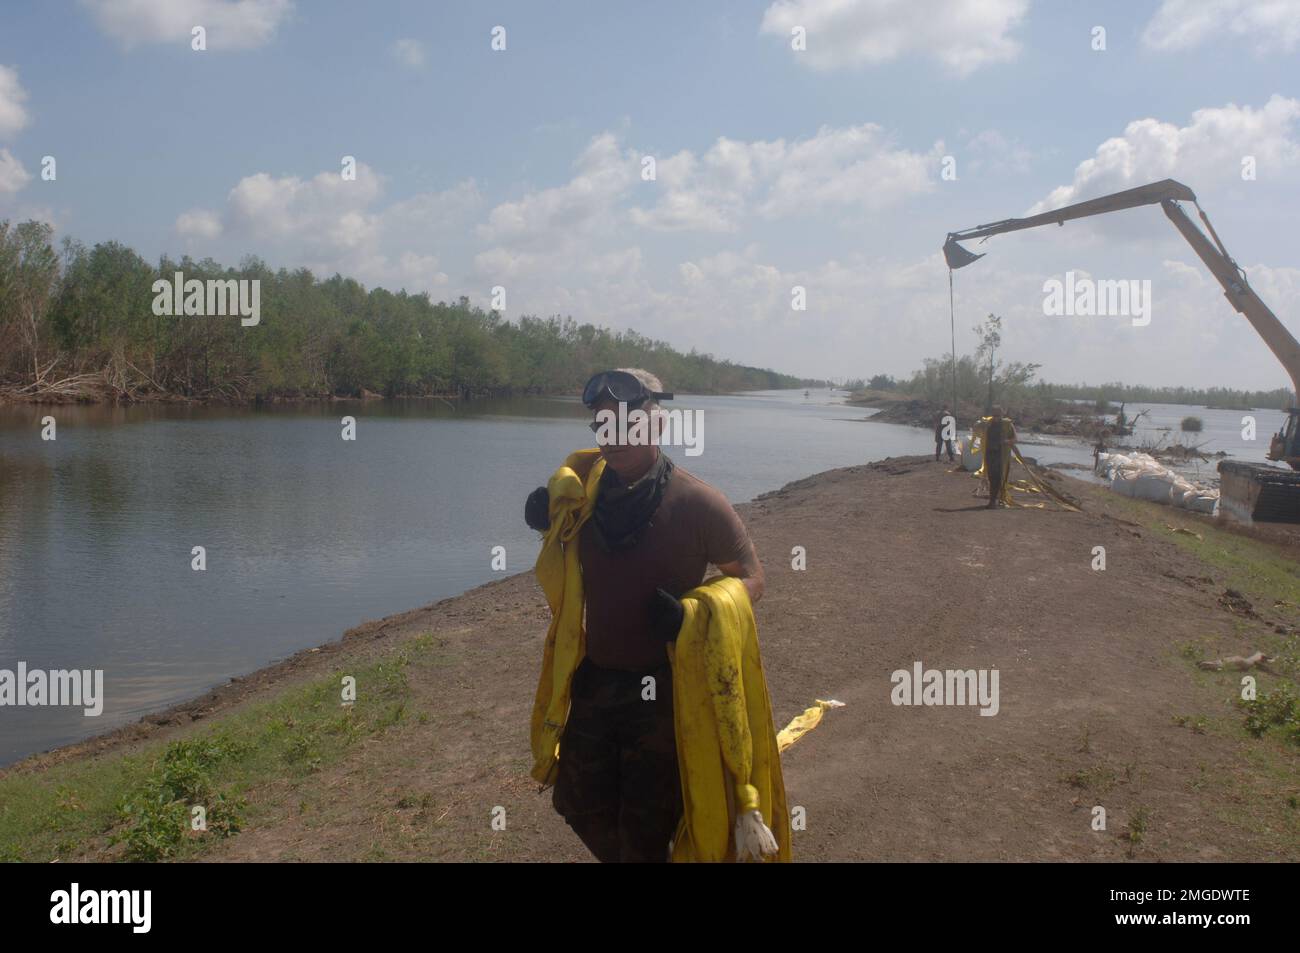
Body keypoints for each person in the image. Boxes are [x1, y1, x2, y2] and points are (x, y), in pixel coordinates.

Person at [524, 368, 765, 862]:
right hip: (596, 680)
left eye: (627, 425)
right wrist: (543, 515)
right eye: (602, 427)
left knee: (646, 826)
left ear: (656, 426)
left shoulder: (697, 503)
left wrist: (693, 614)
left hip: (666, 690)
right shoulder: (582, 498)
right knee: (576, 801)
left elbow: (751, 577)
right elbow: (560, 545)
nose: (613, 440)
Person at [983, 404, 1017, 508]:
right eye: (994, 414)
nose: (996, 416)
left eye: (998, 414)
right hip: (990, 454)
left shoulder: (1007, 424)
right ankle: (993, 500)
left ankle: (993, 501)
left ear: (1002, 414)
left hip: (1001, 455)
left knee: (998, 478)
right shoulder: (988, 423)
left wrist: (1006, 441)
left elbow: (1015, 439)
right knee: (991, 477)